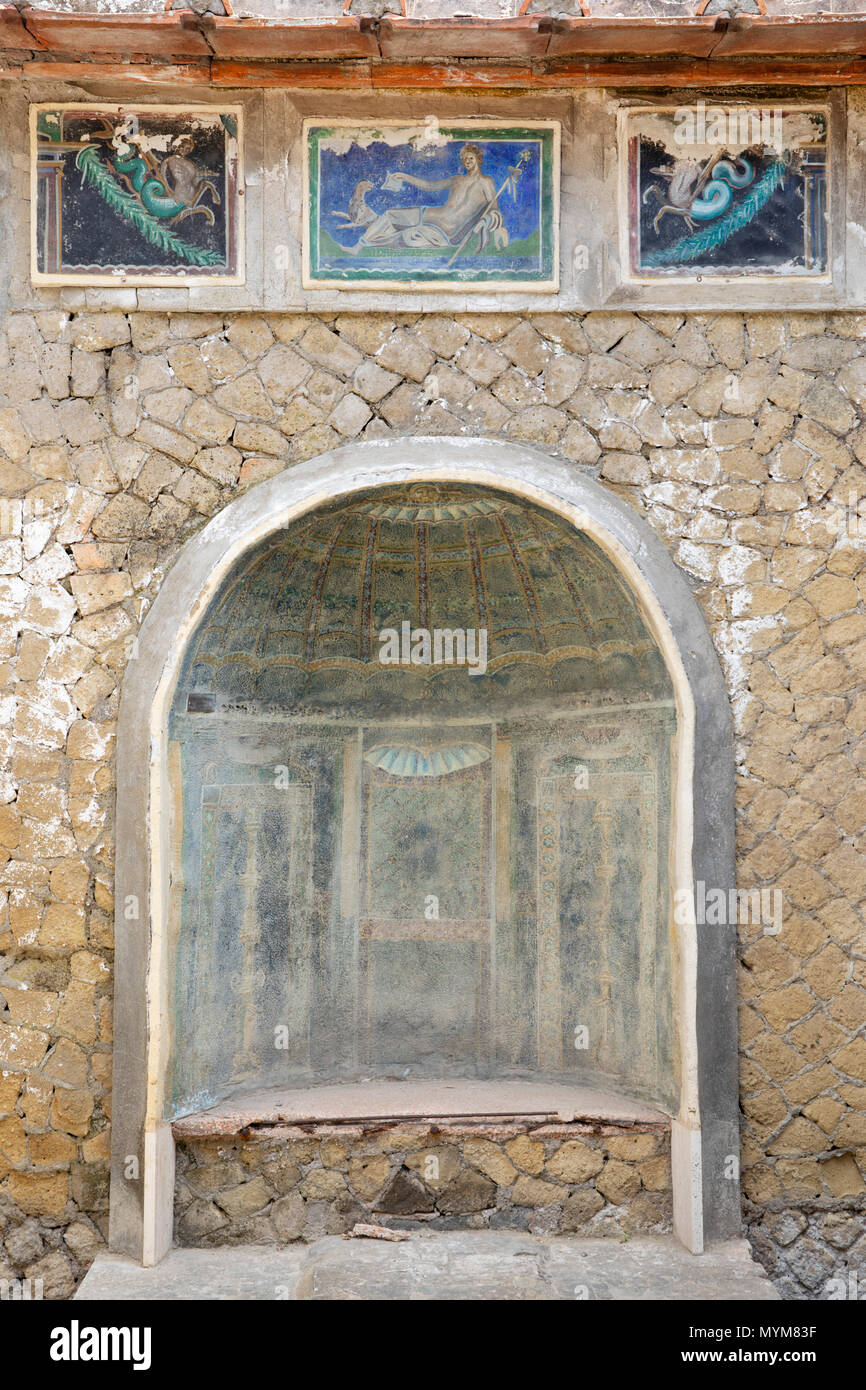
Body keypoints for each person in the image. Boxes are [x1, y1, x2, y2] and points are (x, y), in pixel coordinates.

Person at [357, 143, 507, 251]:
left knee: (408, 237)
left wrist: (491, 222)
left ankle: (371, 242)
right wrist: (405, 177)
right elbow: (429, 185)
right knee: (389, 215)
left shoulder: (486, 182)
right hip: (427, 214)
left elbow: (494, 210)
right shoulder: (457, 180)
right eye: (465, 159)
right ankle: (358, 247)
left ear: (478, 159)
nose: (467, 162)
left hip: (445, 230)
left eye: (471, 158)